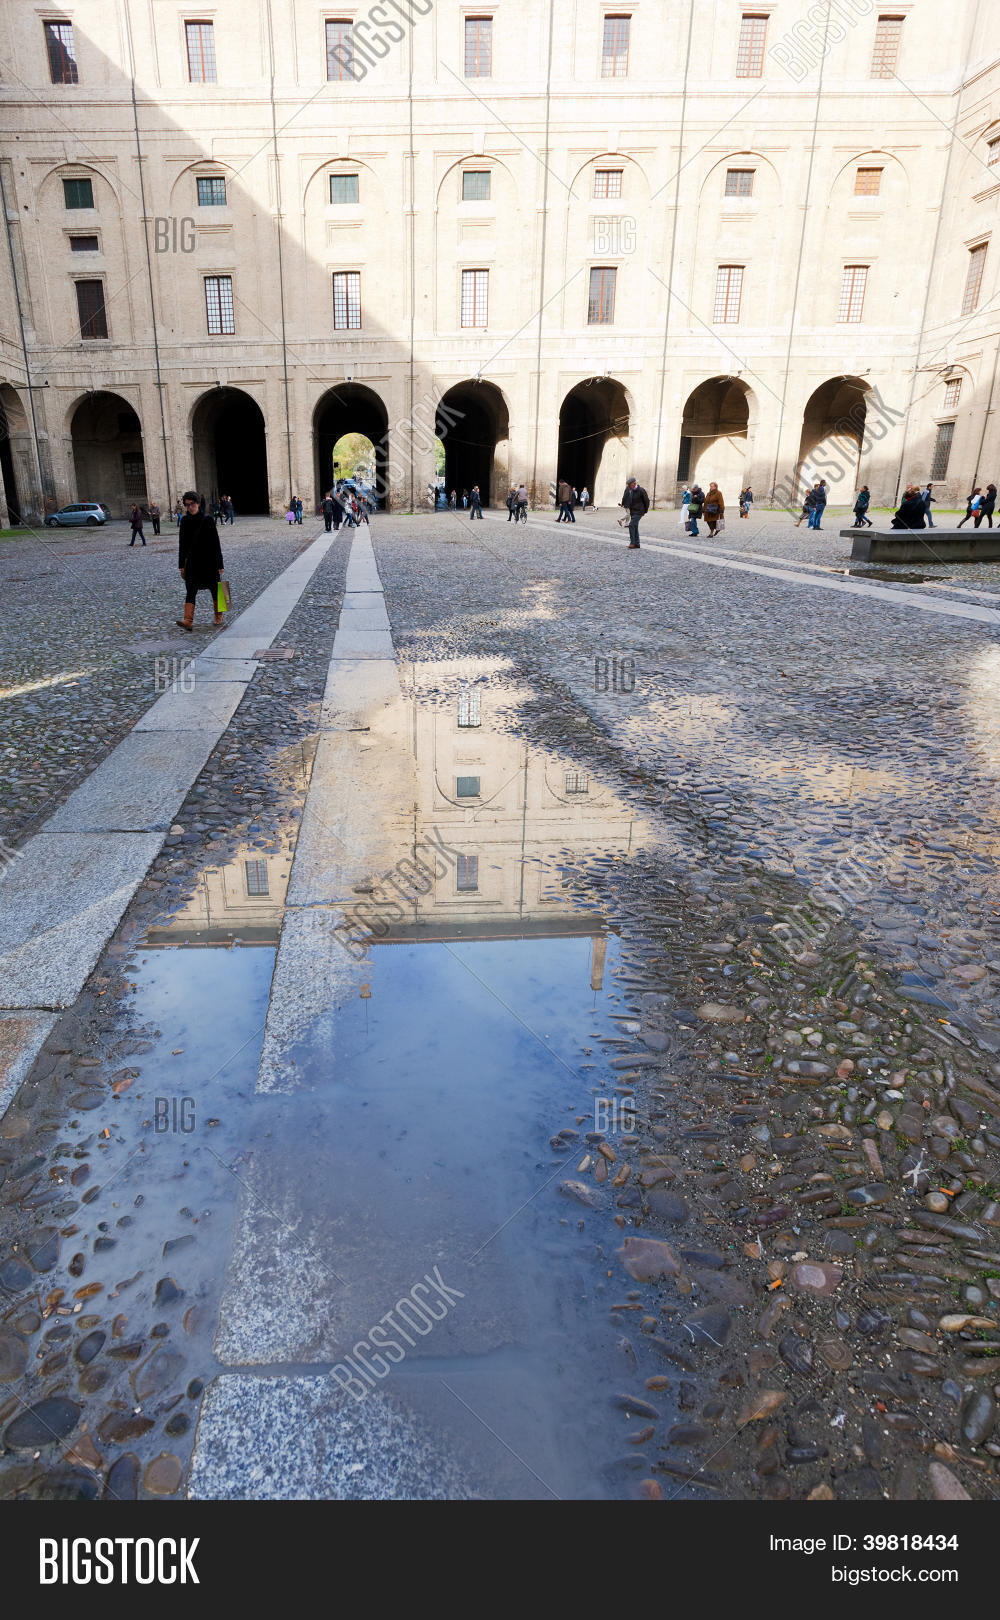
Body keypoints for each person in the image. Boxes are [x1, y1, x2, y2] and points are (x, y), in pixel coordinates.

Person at [176, 490, 224, 630]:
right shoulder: (184, 521)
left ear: (197, 503)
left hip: (209, 562)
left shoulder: (207, 519)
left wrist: (220, 563)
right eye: (187, 505)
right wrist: (181, 564)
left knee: (215, 590)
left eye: (192, 504)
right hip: (192, 562)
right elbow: (182, 544)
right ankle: (188, 620)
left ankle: (218, 615)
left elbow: (216, 543)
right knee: (190, 589)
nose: (190, 507)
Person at [620, 475, 649, 548]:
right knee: (635, 527)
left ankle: (632, 542)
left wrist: (645, 510)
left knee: (631, 525)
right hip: (633, 511)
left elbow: (646, 501)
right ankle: (637, 543)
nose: (629, 487)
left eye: (629, 485)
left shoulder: (641, 490)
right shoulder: (631, 491)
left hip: (639, 511)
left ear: (633, 484)